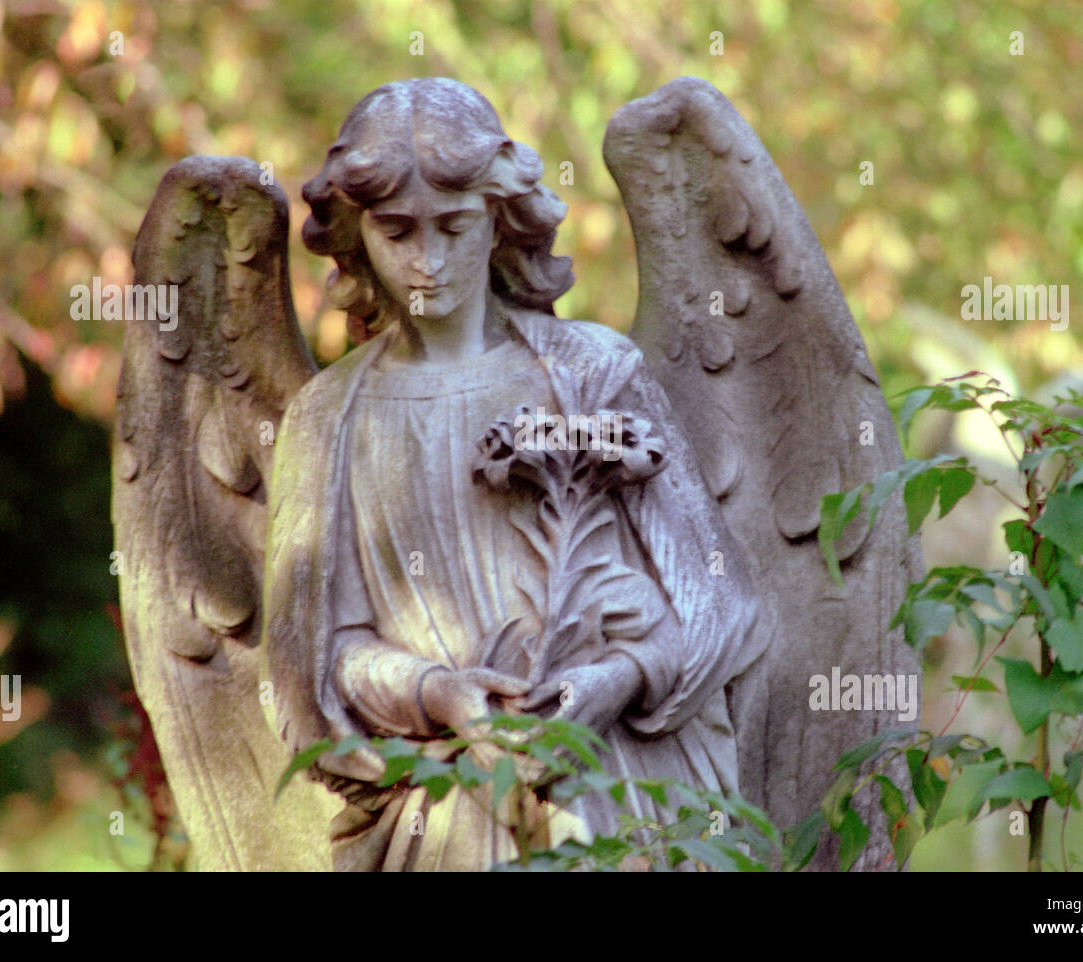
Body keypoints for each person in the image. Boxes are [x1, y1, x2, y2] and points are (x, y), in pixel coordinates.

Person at [262, 77, 764, 870]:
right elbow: (314, 664)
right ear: (357, 236)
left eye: (454, 226)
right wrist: (440, 695)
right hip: (443, 810)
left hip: (613, 792)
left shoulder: (592, 372)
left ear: (499, 221)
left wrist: (619, 678)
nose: (428, 260)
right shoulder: (329, 418)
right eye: (397, 231)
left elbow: (716, 598)